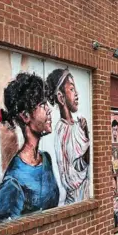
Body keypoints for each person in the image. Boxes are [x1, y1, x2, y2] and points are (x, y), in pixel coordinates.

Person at [0, 73, 59, 224]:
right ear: (25, 116)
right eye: (42, 104)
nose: (49, 110)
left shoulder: (45, 159)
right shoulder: (13, 182)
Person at [47, 68, 90, 205]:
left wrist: (85, 131)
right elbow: (72, 173)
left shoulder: (78, 125)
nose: (77, 94)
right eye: (72, 89)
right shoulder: (62, 131)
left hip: (86, 192)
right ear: (61, 97)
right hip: (76, 199)